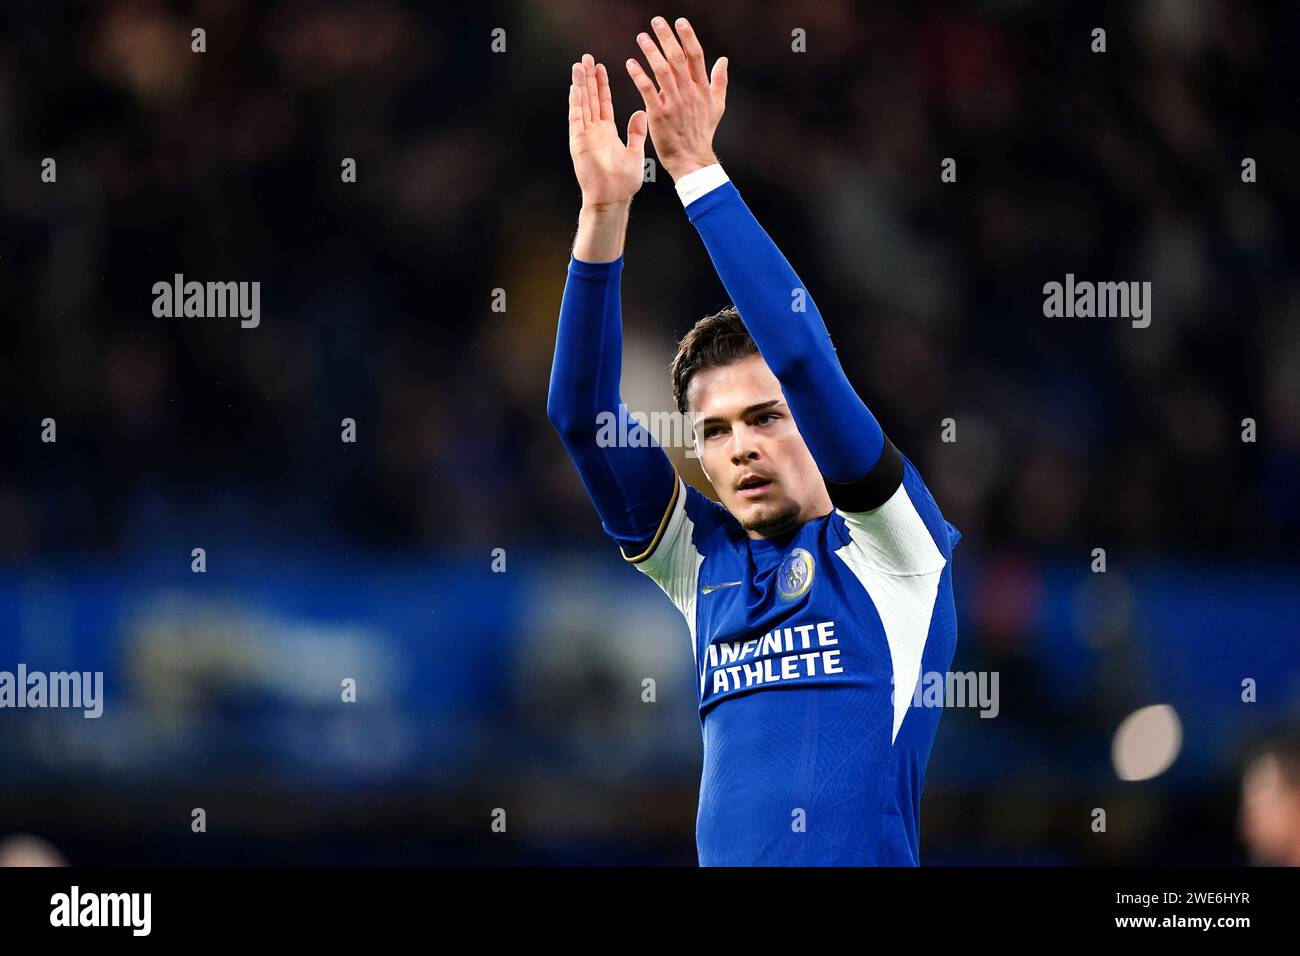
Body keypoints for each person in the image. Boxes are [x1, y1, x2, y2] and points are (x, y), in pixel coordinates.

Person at [547, 16, 960, 865]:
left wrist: (695, 166)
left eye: (765, 418)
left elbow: (803, 358)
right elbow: (580, 417)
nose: (738, 447)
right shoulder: (704, 568)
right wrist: (605, 212)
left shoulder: (896, 552)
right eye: (715, 431)